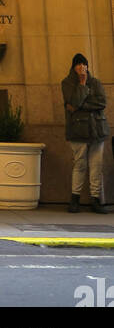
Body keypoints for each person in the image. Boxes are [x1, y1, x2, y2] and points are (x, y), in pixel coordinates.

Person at [62, 52, 111, 214]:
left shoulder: (96, 82)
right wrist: (82, 85)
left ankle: (96, 199)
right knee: (80, 164)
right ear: (73, 67)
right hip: (78, 130)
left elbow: (101, 102)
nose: (81, 68)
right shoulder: (67, 83)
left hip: (97, 129)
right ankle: (74, 198)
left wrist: (80, 105)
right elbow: (72, 102)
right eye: (78, 65)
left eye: (84, 65)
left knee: (96, 166)